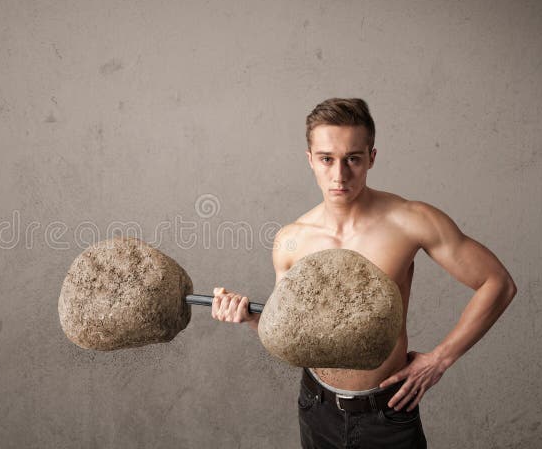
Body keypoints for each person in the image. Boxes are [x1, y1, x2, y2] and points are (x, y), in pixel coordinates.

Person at [211, 98, 516, 448]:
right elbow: (291, 334)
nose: (339, 175)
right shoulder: (291, 240)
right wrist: (249, 318)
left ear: (372, 157)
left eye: (352, 159)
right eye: (327, 159)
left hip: (385, 413)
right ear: (310, 160)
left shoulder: (410, 220)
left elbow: (498, 283)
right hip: (316, 407)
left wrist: (440, 359)